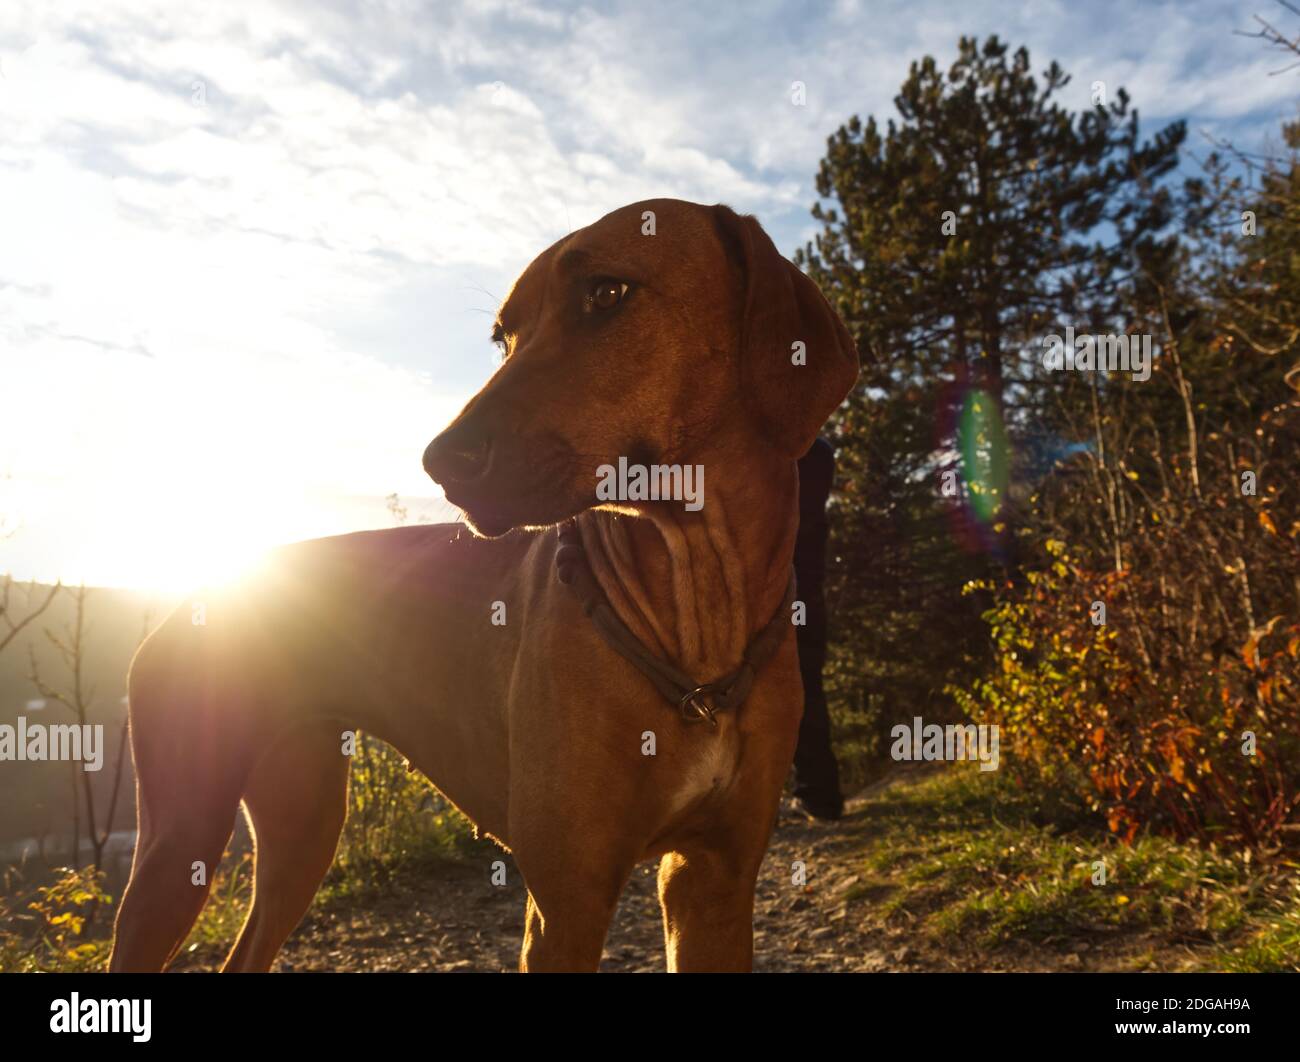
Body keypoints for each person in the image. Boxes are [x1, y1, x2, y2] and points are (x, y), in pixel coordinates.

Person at [791, 436, 844, 821]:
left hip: (786, 598)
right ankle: (819, 796)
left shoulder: (795, 454)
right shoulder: (818, 454)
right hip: (805, 599)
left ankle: (817, 797)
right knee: (805, 690)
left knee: (798, 690)